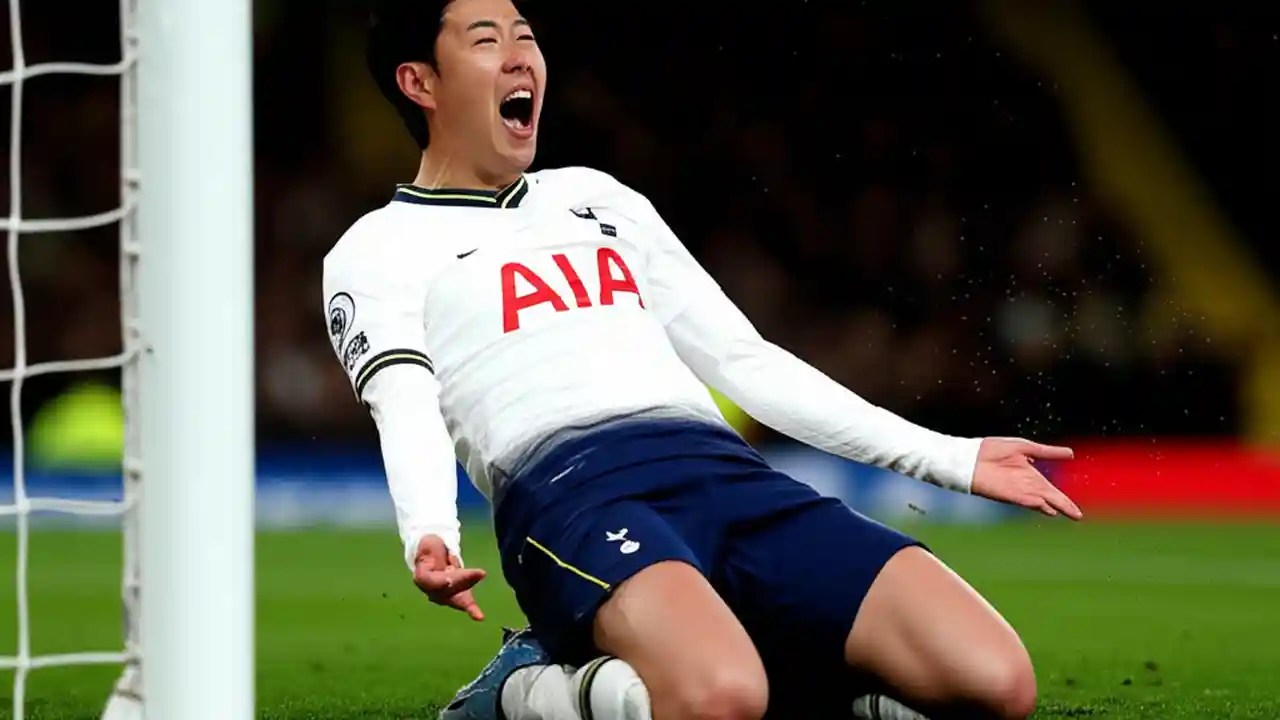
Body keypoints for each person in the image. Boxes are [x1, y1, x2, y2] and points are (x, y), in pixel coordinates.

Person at [327, 0, 1084, 718]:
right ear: (418, 81)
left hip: (725, 474)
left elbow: (743, 360)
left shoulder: (599, 198)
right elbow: (407, 403)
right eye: (487, 39)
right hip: (572, 495)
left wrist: (951, 458)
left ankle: (742, 675)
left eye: (526, 35)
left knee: (996, 683)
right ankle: (521, 690)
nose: (521, 55)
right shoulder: (377, 249)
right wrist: (428, 531)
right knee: (721, 698)